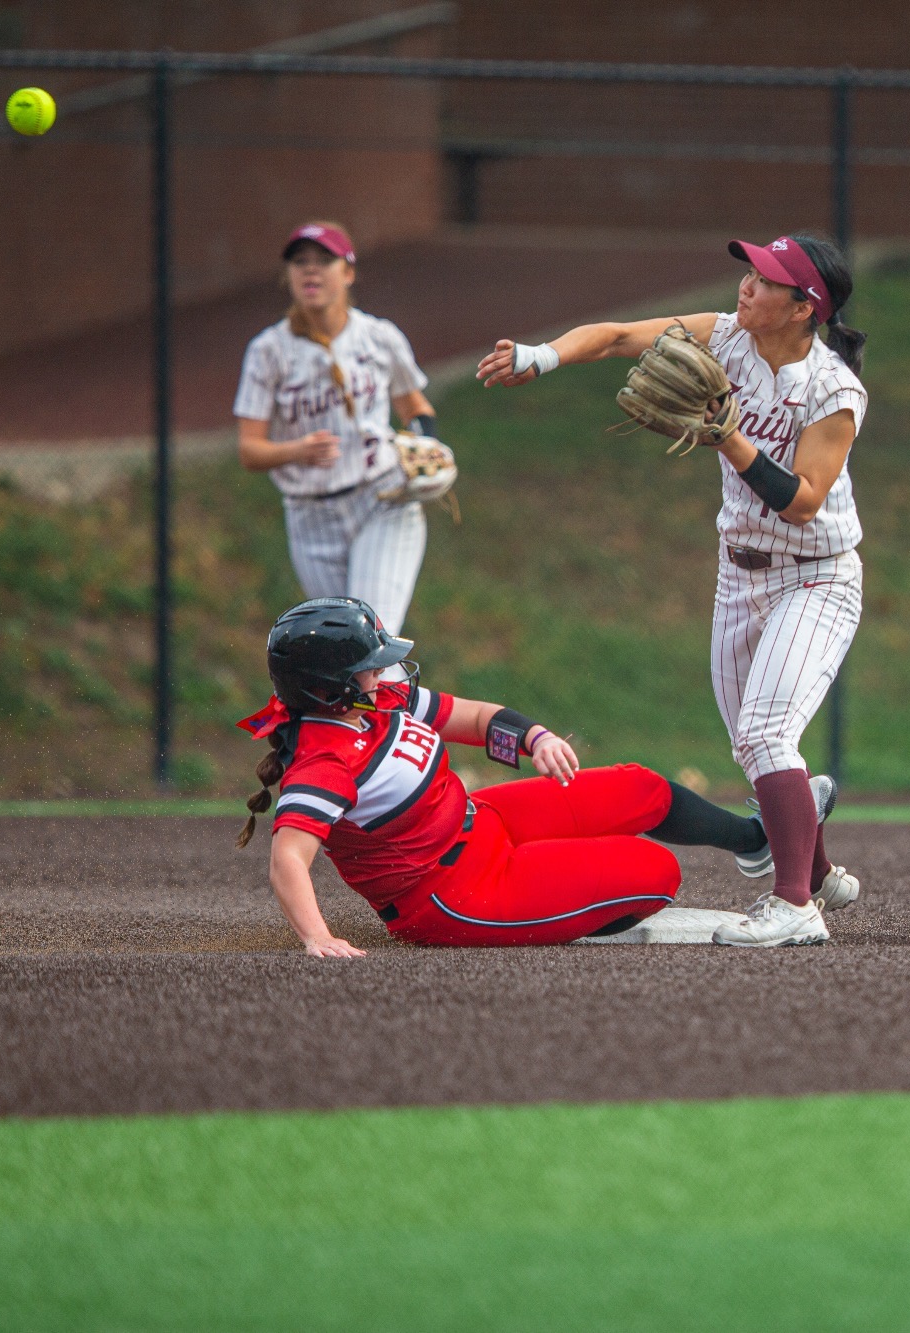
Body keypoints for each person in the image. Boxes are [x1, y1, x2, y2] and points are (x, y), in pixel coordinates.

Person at [476, 233, 868, 948]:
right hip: (738, 573)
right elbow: (623, 335)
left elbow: (804, 500)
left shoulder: (834, 390)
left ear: (803, 306)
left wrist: (729, 439)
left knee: (766, 734)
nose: (746, 286)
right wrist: (541, 357)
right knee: (755, 749)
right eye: (748, 272)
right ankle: (814, 871)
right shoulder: (728, 338)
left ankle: (793, 908)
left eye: (765, 280)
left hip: (815, 575)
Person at [238, 597, 830, 954]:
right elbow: (289, 857)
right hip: (449, 893)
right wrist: (317, 936)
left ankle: (756, 843)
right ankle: (566, 907)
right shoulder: (324, 761)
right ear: (328, 688)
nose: (382, 672)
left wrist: (532, 737)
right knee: (654, 871)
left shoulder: (378, 701)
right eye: (367, 667)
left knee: (639, 788)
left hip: (481, 820)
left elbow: (470, 716)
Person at [234, 221, 439, 636]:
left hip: (380, 498)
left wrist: (426, 445)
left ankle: (408, 703)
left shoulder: (378, 337)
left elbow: (414, 405)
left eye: (323, 261)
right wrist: (295, 451)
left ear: (348, 272)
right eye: (299, 262)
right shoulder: (269, 351)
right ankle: (395, 703)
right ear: (287, 275)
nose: (311, 270)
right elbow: (249, 450)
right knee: (341, 653)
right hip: (311, 517)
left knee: (371, 641)